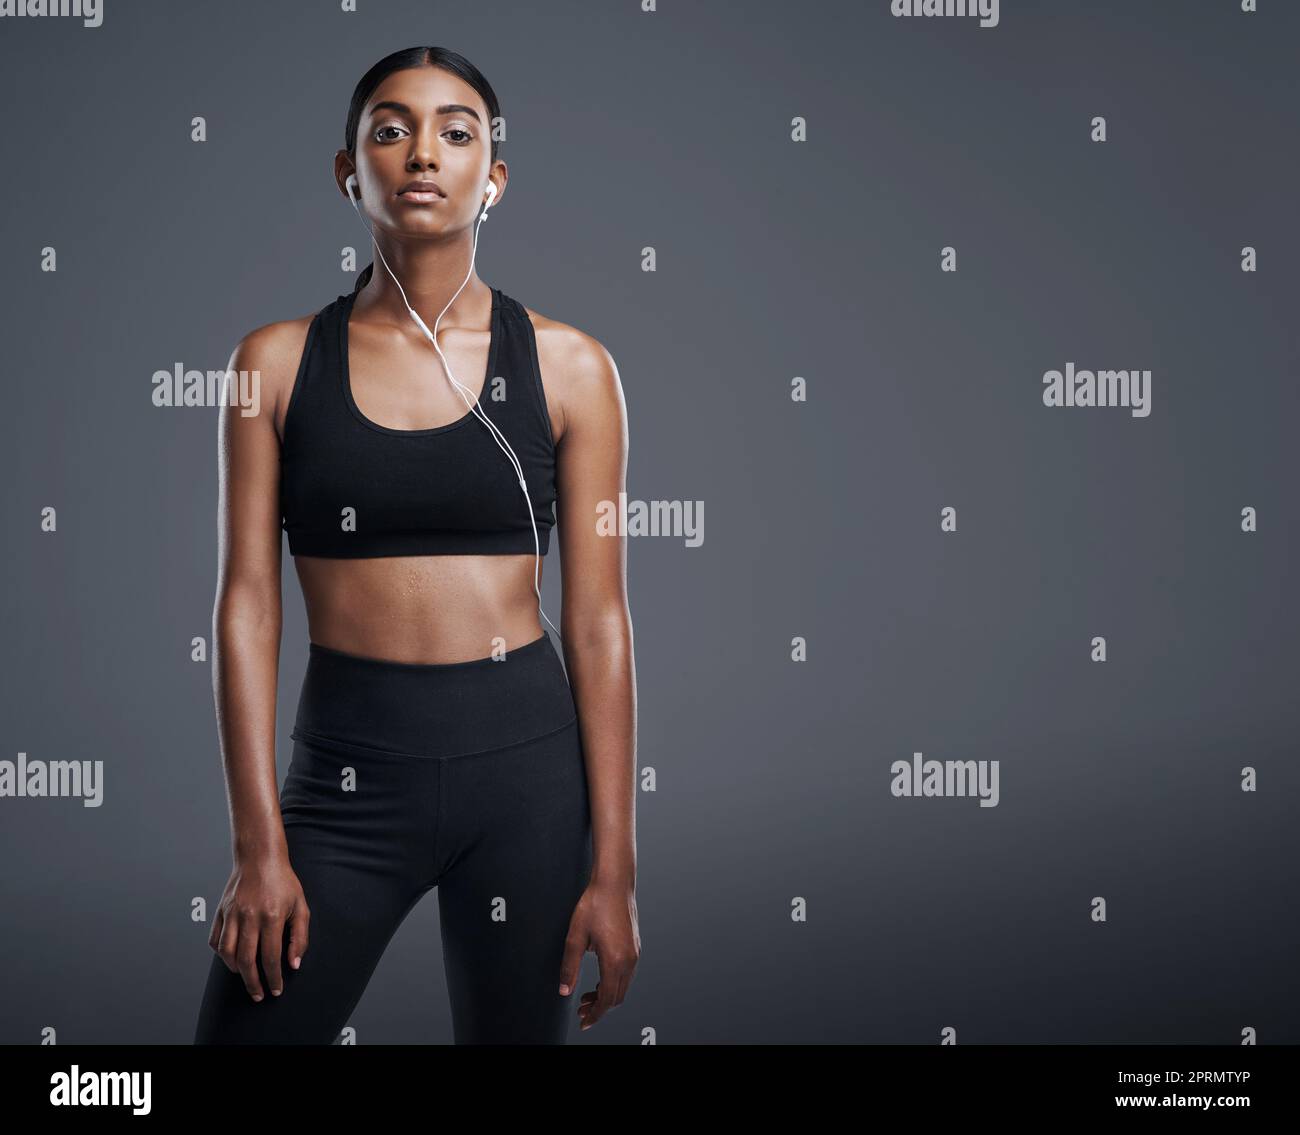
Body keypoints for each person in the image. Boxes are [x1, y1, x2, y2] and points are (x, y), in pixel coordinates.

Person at [192, 45, 639, 1044]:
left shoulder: (571, 367)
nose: (423, 154)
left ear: (496, 176)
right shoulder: (272, 362)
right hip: (348, 777)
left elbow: (599, 621)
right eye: (390, 131)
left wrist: (613, 869)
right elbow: (247, 605)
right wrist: (259, 845)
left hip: (525, 778)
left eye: (456, 131)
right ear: (351, 172)